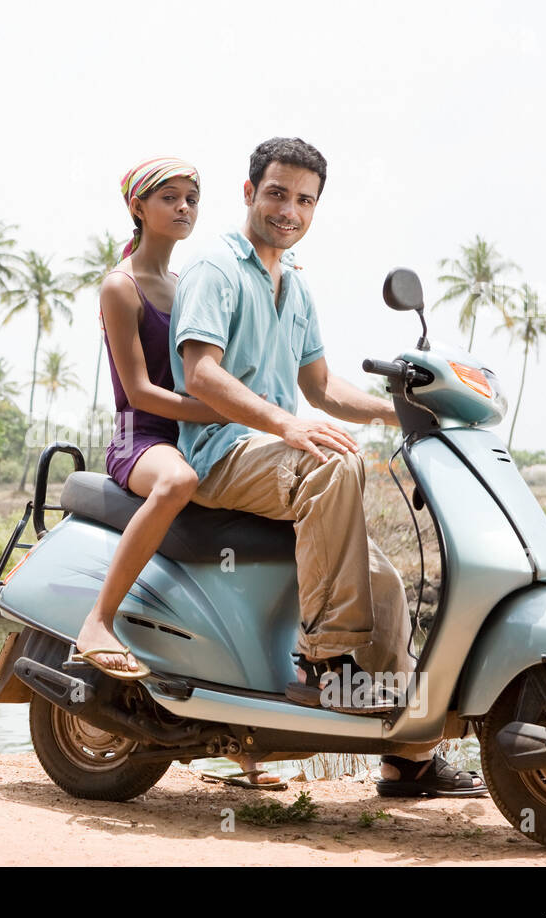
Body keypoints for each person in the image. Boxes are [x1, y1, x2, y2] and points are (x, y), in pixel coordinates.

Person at [168, 137, 485, 797]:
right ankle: (322, 664)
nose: (290, 209)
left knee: (388, 587)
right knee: (330, 459)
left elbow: (319, 387)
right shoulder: (215, 268)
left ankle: (409, 761)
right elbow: (201, 373)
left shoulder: (294, 284)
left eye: (305, 199)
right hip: (224, 451)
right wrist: (286, 424)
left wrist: (406, 413)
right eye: (278, 193)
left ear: (316, 208)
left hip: (277, 453)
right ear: (250, 192)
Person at [72, 156, 281, 790]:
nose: (185, 207)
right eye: (170, 197)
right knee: (179, 484)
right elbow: (136, 390)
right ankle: (98, 620)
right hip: (147, 440)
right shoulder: (122, 285)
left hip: (201, 432)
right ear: (138, 207)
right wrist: (218, 405)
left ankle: (248, 732)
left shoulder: (193, 280)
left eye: (193, 197)